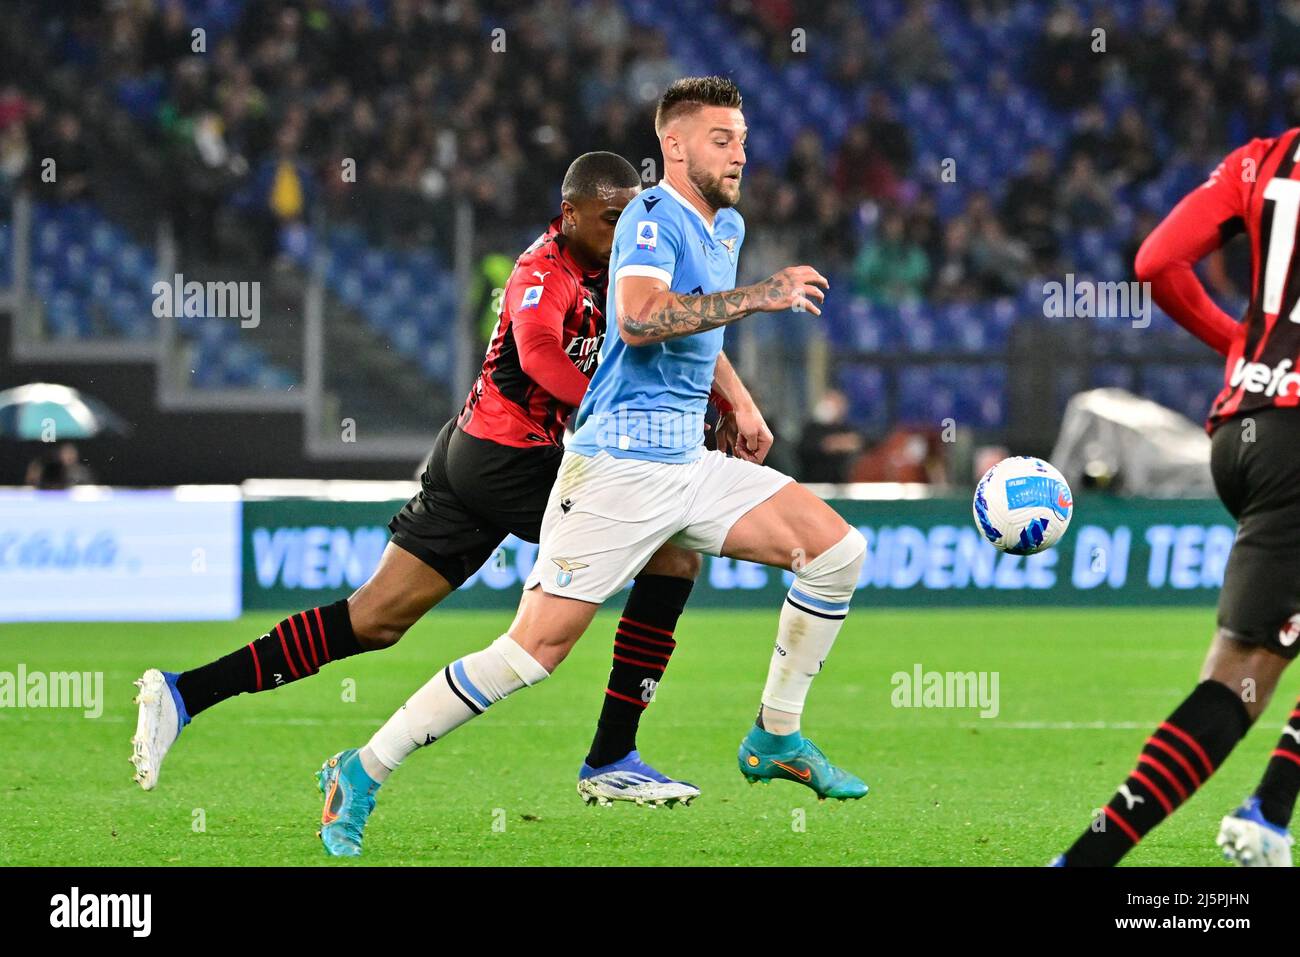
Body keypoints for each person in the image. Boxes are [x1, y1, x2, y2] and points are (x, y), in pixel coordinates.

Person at [316, 77, 869, 857]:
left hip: (688, 458)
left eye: (743, 138)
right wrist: (760, 297)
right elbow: (641, 318)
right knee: (529, 654)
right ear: (673, 146)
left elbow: (695, 328)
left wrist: (739, 400)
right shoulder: (649, 215)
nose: (739, 152)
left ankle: (774, 736)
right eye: (721, 138)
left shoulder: (727, 225)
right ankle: (362, 767)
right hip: (616, 466)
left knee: (838, 552)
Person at [133, 151, 756, 812]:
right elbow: (541, 353)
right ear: (569, 213)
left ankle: (183, 693)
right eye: (609, 219)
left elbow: (676, 325)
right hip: (506, 457)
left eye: (631, 218)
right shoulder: (541, 270)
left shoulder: (625, 269)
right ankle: (611, 756)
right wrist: (612, 412)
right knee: (674, 553)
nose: (622, 230)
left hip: (470, 453)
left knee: (372, 620)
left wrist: (731, 404)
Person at [1053, 129, 1300, 867]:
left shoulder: (1269, 154)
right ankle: (1084, 862)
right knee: (1240, 678)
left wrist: (1237, 342)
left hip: (1245, 430)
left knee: (1245, 669)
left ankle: (1270, 811)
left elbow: (1156, 262)